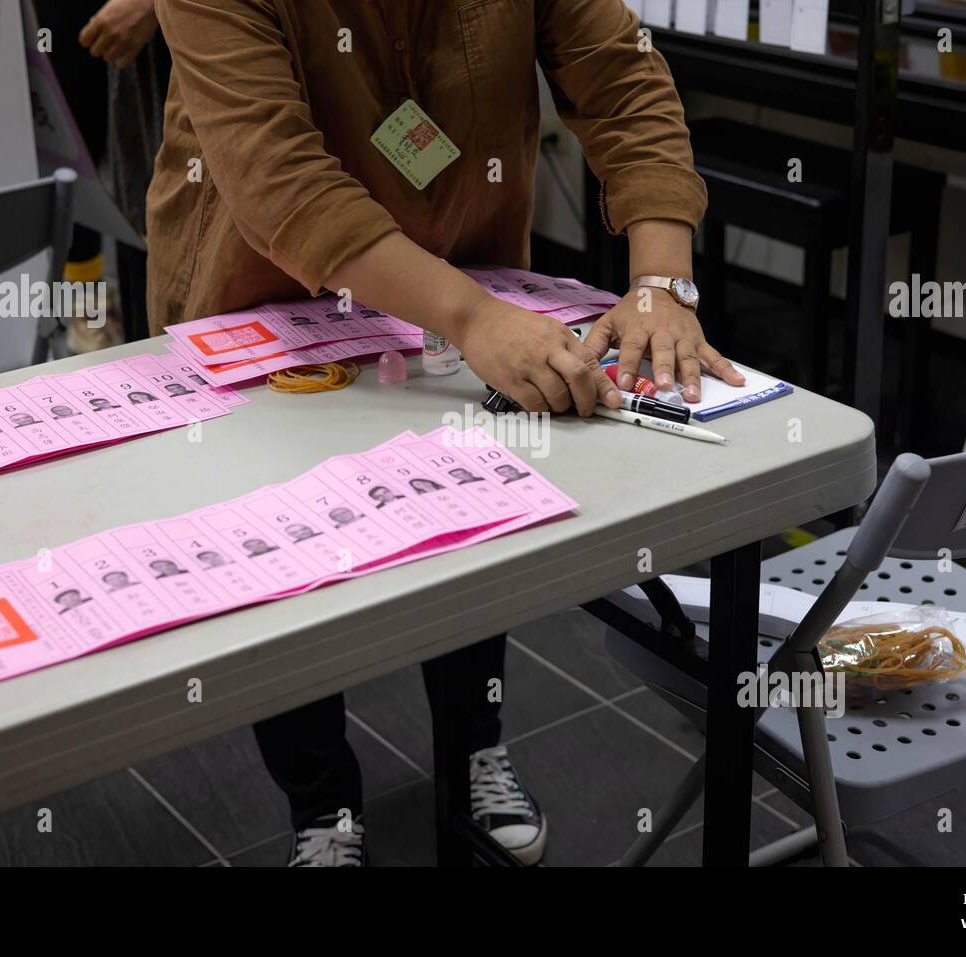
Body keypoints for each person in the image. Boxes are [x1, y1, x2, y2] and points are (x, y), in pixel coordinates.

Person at [148, 0, 744, 868]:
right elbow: (278, 177)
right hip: (266, 291)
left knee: (471, 508)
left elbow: (619, 77)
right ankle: (323, 802)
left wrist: (662, 278)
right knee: (288, 552)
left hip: (460, 274)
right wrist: (472, 318)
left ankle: (472, 748)